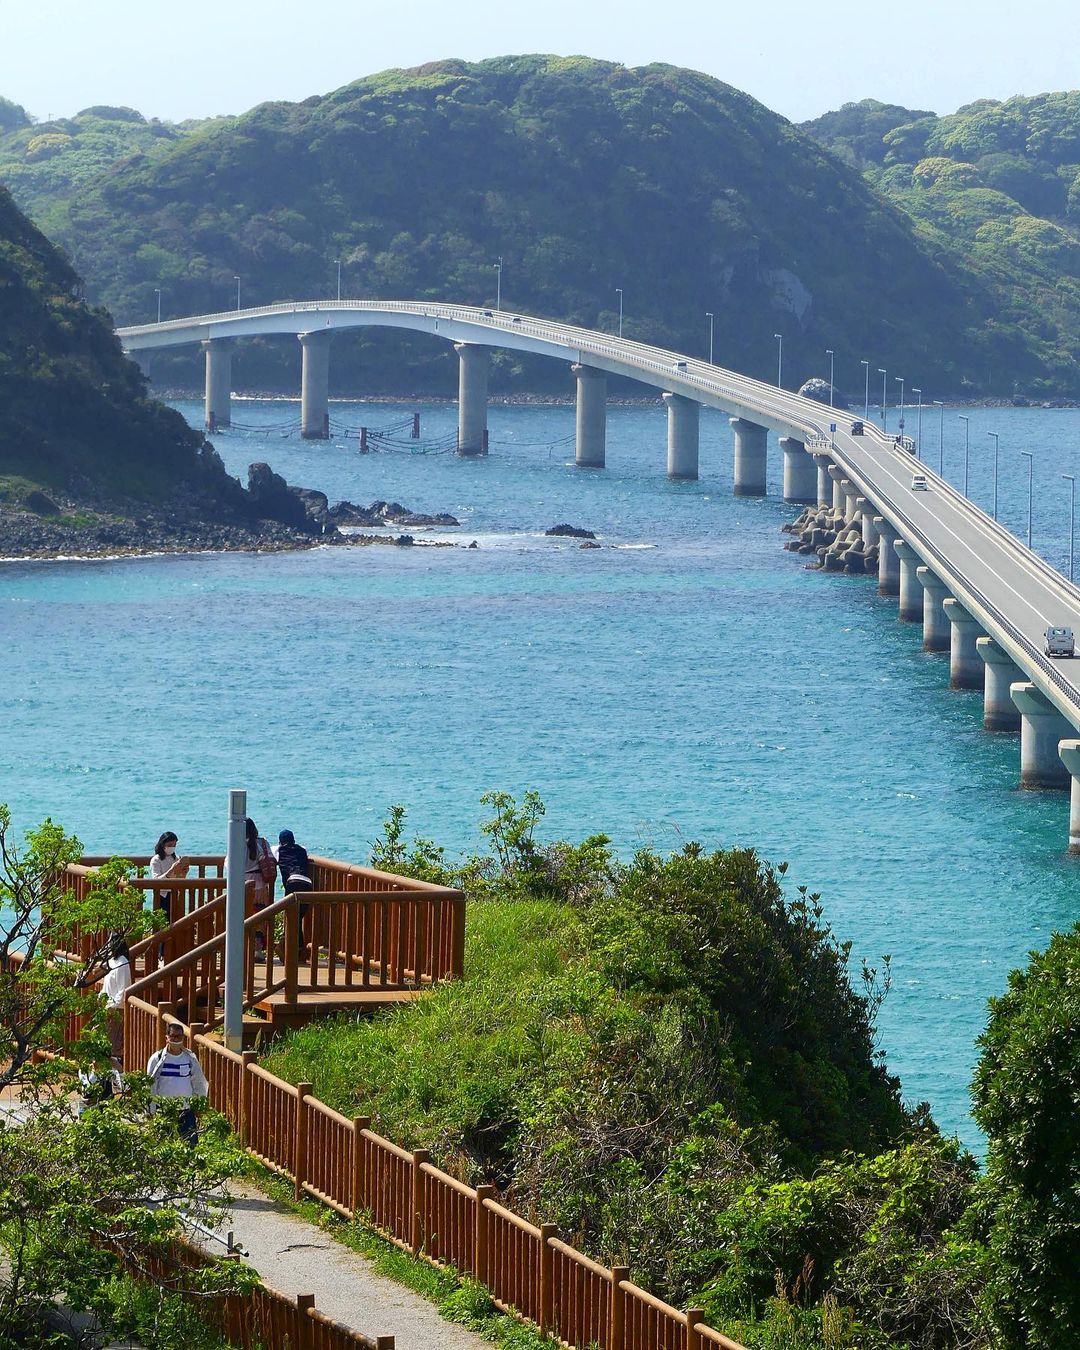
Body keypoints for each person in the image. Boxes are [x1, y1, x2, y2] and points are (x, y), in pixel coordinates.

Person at [147, 1022, 208, 1144]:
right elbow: (150, 1085)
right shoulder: (156, 1059)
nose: (176, 1039)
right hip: (164, 1109)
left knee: (190, 1144)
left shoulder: (190, 1058)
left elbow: (198, 1082)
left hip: (186, 1109)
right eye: (173, 1036)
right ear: (167, 1037)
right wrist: (150, 1110)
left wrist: (199, 1106)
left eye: (179, 1036)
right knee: (163, 1144)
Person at [274, 829, 313, 952]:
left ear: (280, 842)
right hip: (307, 883)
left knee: (292, 918)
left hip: (292, 882)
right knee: (297, 918)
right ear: (294, 840)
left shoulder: (278, 850)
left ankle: (287, 947)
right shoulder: (302, 850)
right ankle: (298, 950)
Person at [100, 932, 132, 1065]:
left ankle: (116, 1068)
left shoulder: (123, 963)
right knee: (105, 1038)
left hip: (116, 1007)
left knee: (113, 1041)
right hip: (107, 1005)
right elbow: (107, 984)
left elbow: (123, 987)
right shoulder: (111, 961)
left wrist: (114, 1006)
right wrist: (101, 996)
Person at [148, 831, 188, 928]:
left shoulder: (177, 859)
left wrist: (184, 873)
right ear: (163, 844)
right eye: (170, 845)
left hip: (175, 894)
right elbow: (156, 880)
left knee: (176, 922)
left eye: (174, 845)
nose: (172, 847)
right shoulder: (156, 860)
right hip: (162, 895)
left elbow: (179, 879)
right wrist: (171, 870)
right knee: (163, 924)